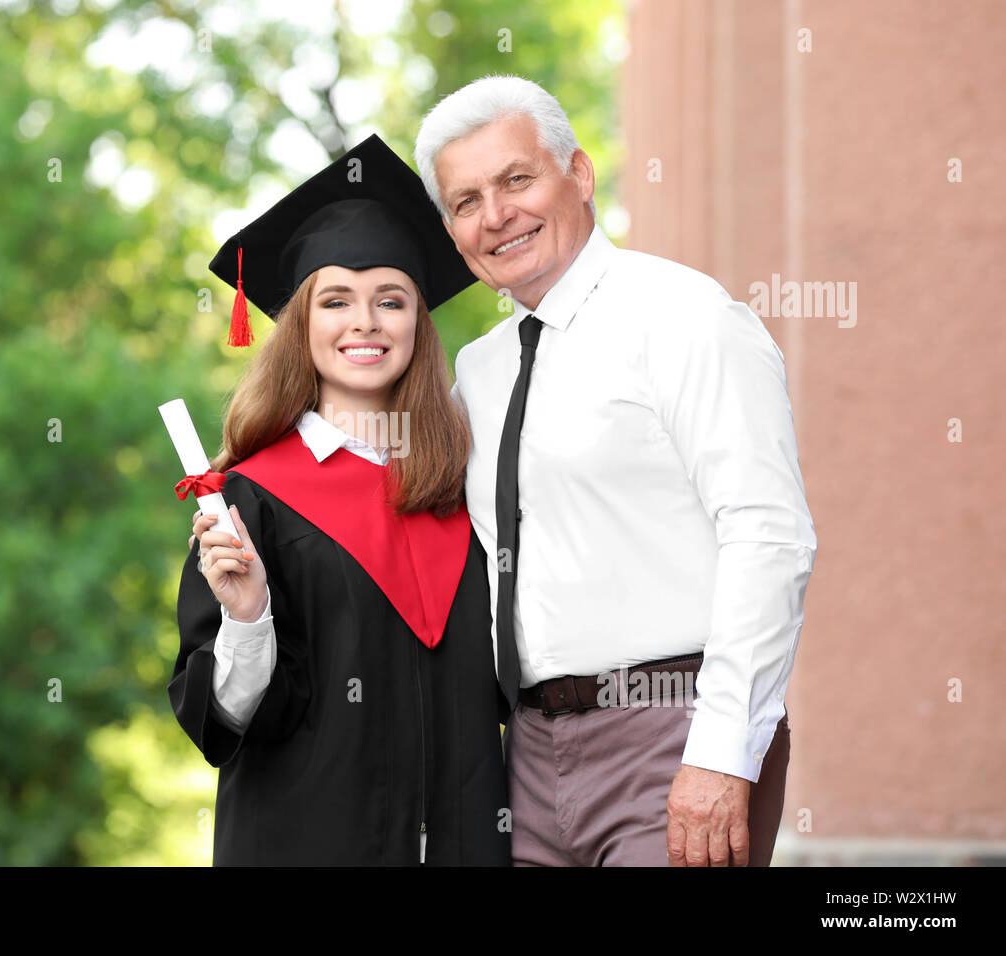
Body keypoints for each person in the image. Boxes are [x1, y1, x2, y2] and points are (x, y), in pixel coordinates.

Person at [412, 76, 816, 866]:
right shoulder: (480, 372)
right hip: (525, 755)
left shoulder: (685, 318)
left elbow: (769, 536)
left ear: (582, 174)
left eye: (516, 179)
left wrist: (721, 751)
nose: (495, 216)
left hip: (672, 732)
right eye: (465, 202)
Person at [168, 135, 510, 866]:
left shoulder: (471, 488)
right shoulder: (248, 504)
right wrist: (249, 617)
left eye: (391, 299)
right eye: (336, 301)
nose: (366, 322)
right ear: (302, 325)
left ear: (418, 320)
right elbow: (220, 725)